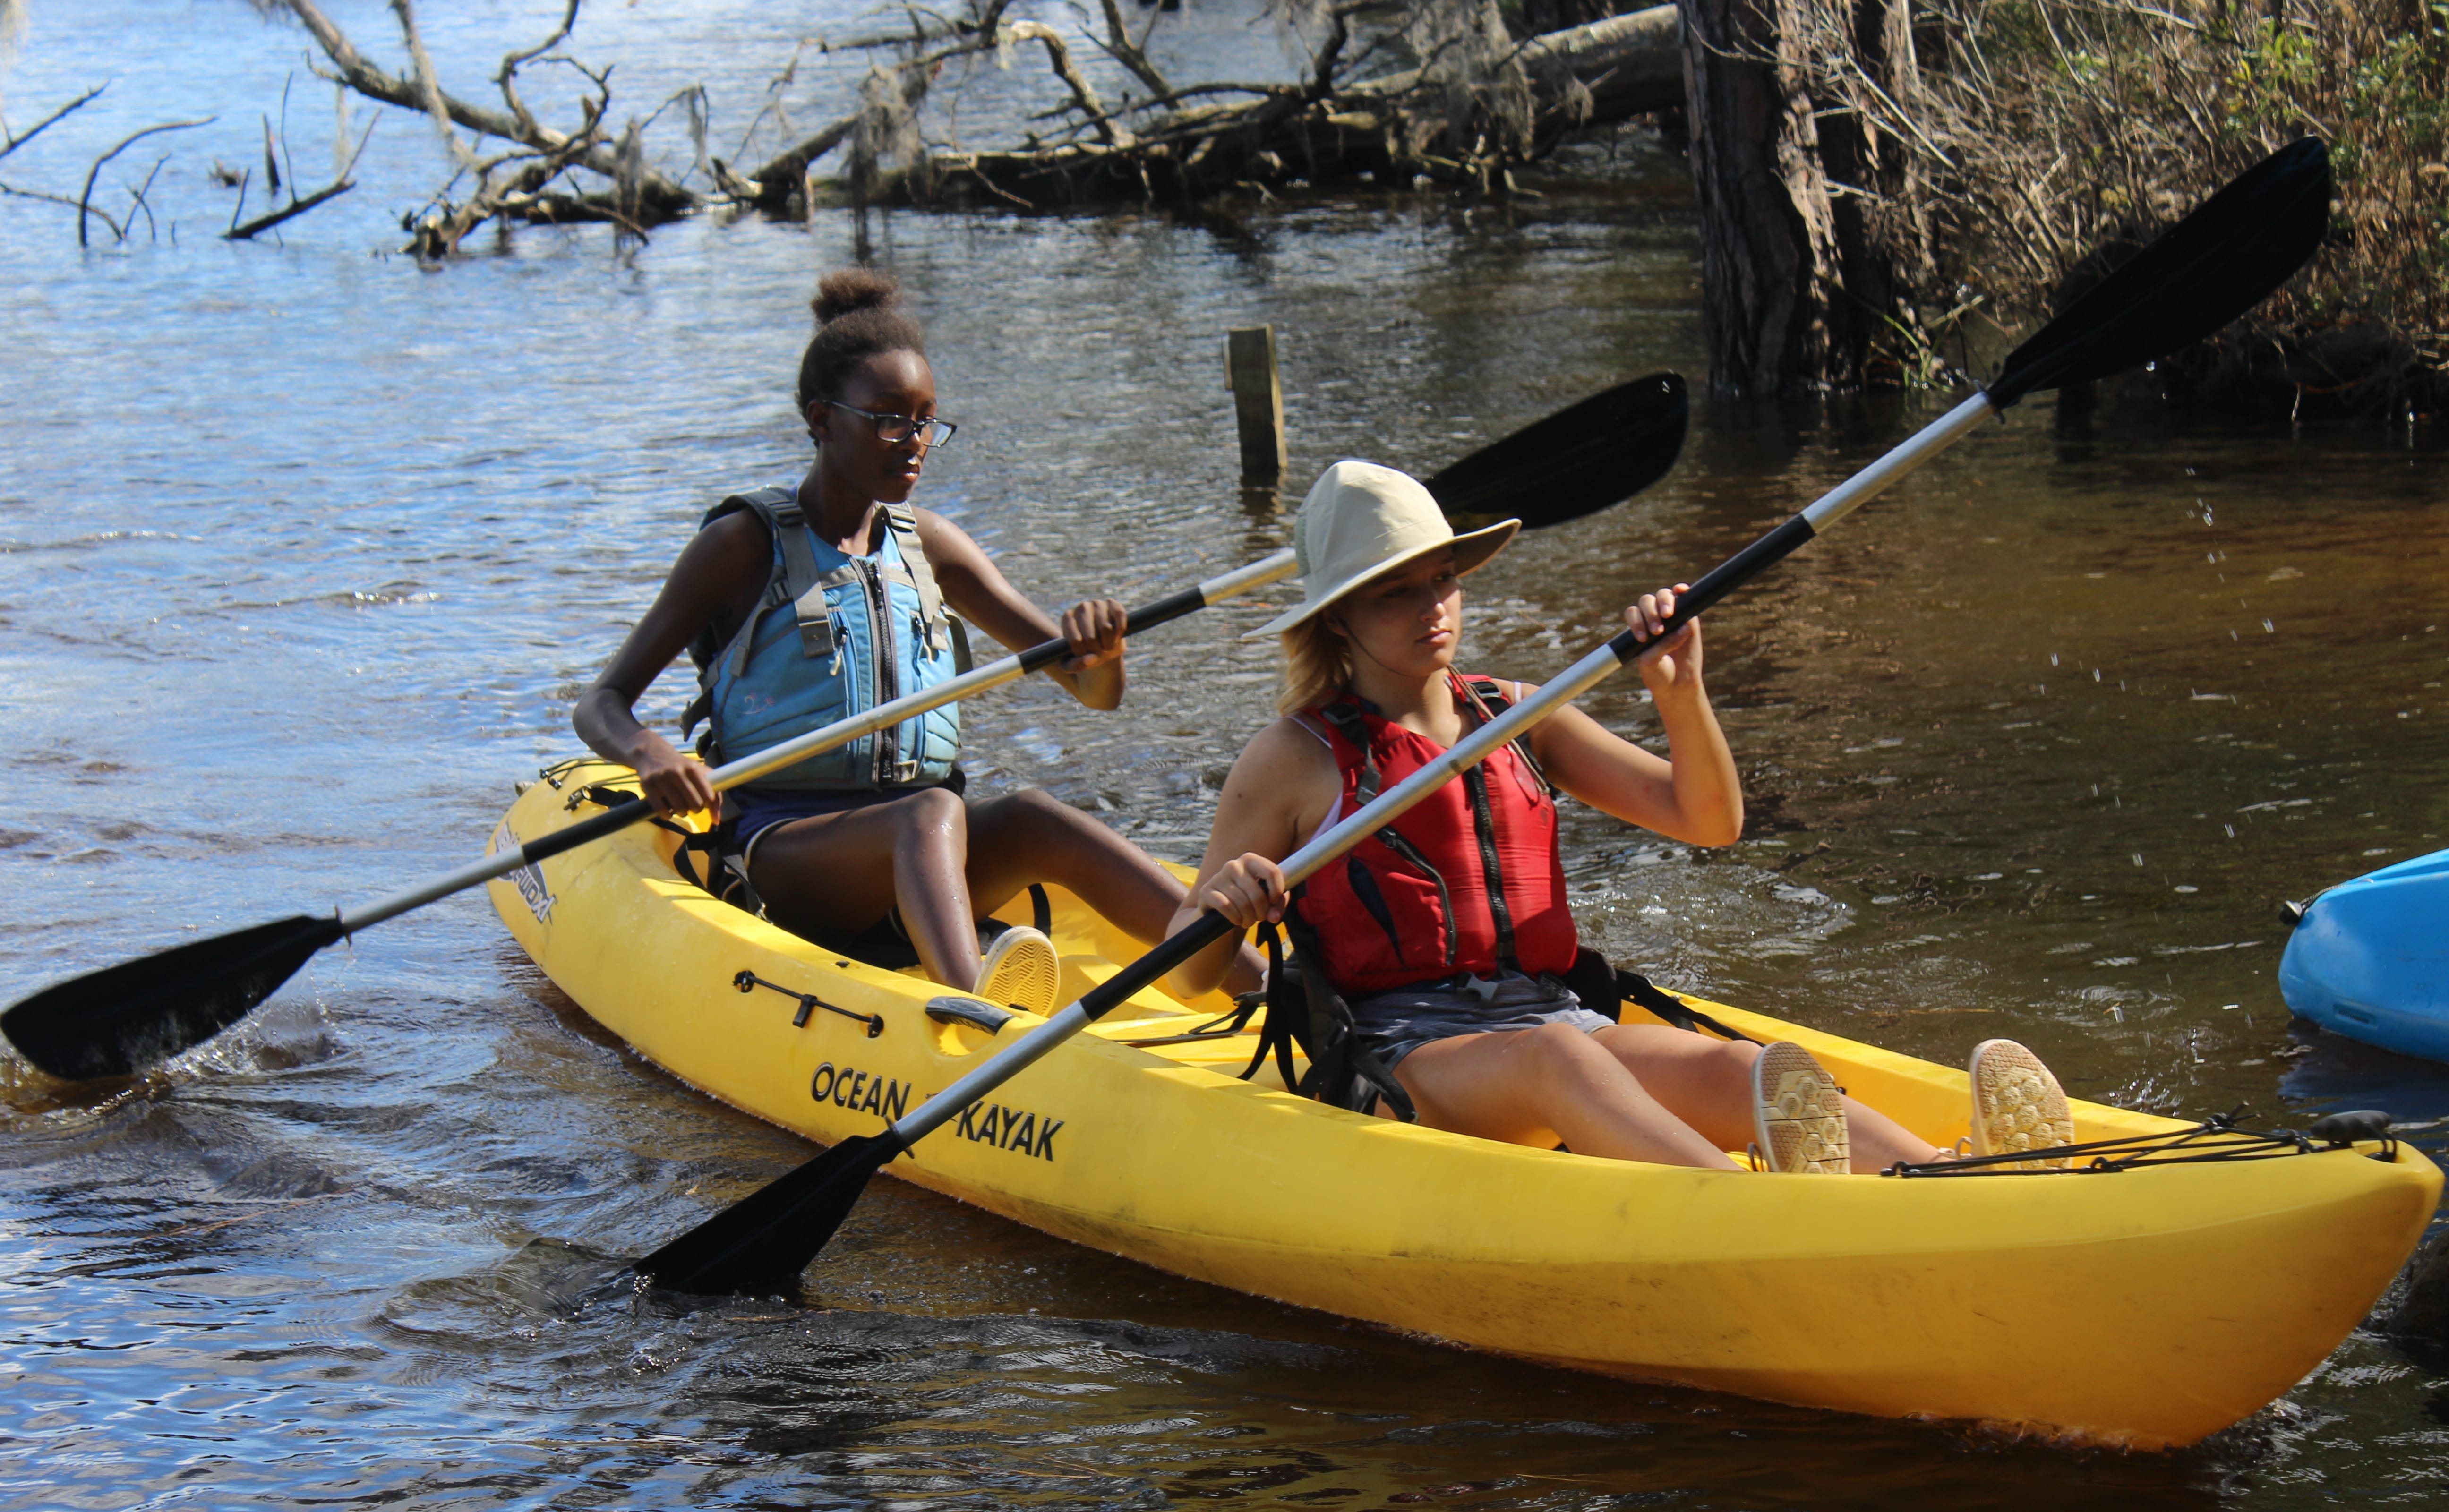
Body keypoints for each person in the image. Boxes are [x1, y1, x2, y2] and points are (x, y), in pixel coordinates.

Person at [1162, 460, 2072, 1172]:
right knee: (1562, 1058)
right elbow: (1188, 971)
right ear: (1338, 621)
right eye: (1397, 591)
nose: (1434, 607)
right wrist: (1224, 901)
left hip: (1553, 1018)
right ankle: (1760, 1209)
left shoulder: (1517, 714)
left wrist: (1681, 692)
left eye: (1442, 579)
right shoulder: (1294, 756)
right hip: (1402, 1054)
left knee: (1736, 1067)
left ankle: (1950, 1182)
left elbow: (1708, 821)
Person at [574, 268, 1263, 1013]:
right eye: (889, 419)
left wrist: (1104, 650)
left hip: (922, 851)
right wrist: (651, 754)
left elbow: (1094, 693)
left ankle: (1265, 984)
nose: (916, 442)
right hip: (788, 852)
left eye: (927, 420)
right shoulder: (741, 545)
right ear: (820, 419)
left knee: (1036, 816)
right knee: (931, 814)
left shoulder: (930, 547)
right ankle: (978, 1012)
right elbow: (602, 704)